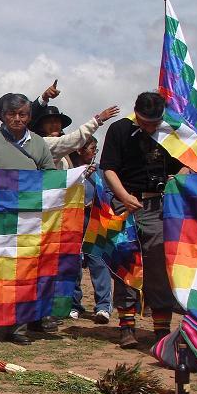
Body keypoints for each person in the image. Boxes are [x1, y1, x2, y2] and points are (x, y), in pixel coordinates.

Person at [100, 92, 184, 348]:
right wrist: (124, 196)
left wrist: (179, 177)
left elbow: (186, 164)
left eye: (154, 123)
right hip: (126, 205)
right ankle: (127, 327)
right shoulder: (120, 129)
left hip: (159, 206)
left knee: (159, 265)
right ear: (136, 114)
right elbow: (109, 168)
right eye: (145, 122)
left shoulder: (171, 132)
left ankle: (161, 328)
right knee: (126, 263)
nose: (150, 128)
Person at [0, 93, 55, 343]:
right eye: (11, 114)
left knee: (25, 271)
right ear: (1, 115)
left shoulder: (39, 143)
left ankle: (19, 327)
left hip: (30, 221)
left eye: (23, 114)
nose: (17, 119)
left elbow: (51, 177)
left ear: (29, 117)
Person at [68, 137, 112, 324]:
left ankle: (103, 306)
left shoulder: (102, 172)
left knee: (98, 262)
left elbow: (110, 194)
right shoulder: (72, 172)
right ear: (79, 150)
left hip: (97, 222)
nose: (95, 151)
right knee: (74, 263)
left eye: (96, 148)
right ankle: (74, 305)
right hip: (74, 222)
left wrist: (98, 204)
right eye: (92, 148)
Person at [29, 104, 120, 169]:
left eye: (57, 121)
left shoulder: (65, 154)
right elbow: (71, 140)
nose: (54, 124)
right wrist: (97, 121)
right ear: (41, 127)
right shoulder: (44, 143)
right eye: (49, 121)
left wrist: (82, 174)